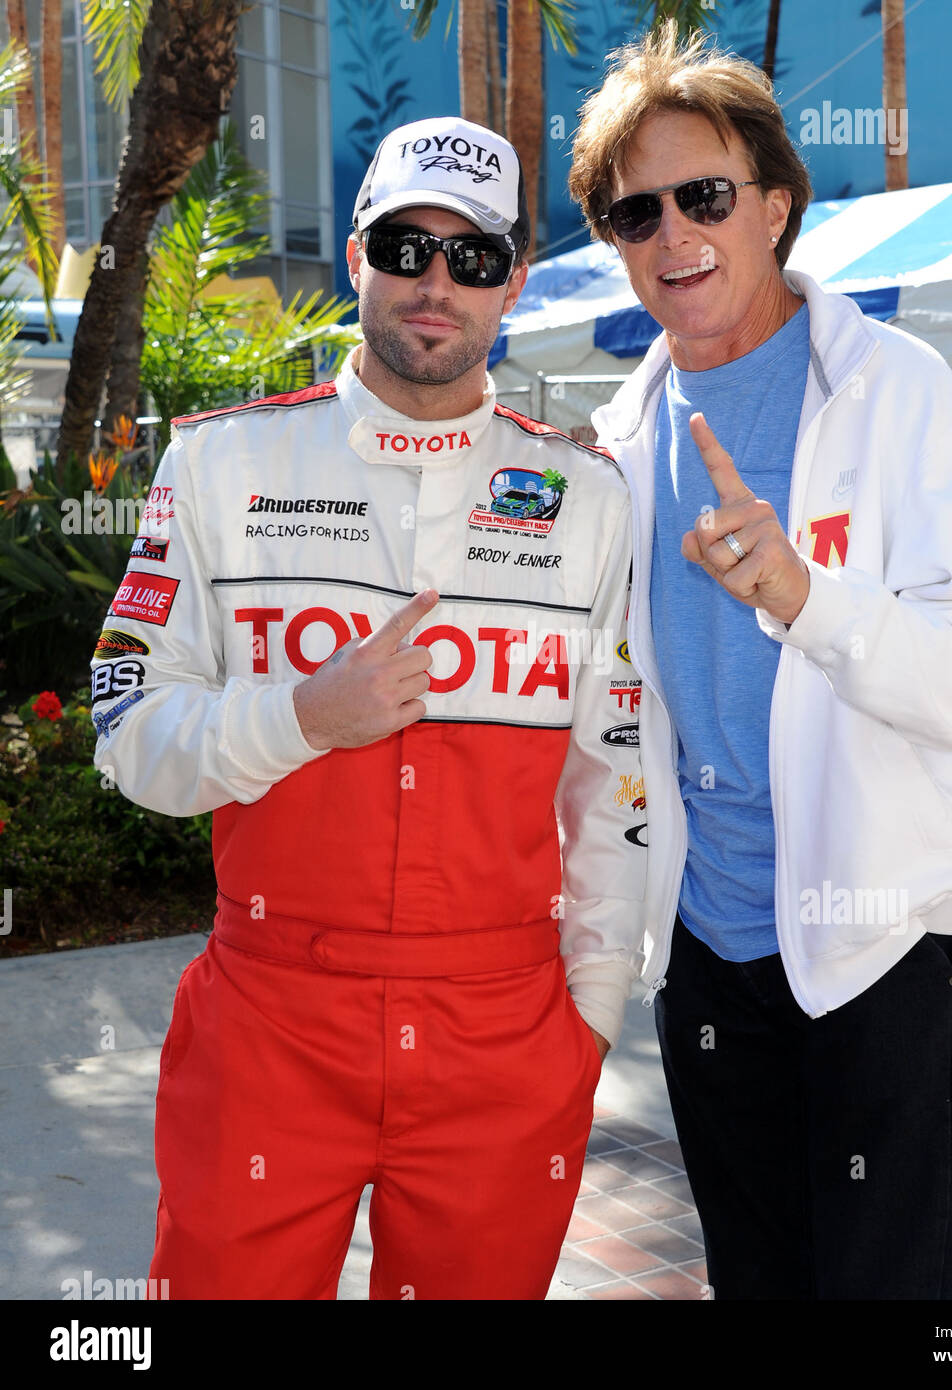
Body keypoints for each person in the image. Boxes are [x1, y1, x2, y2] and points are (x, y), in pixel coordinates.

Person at [90, 116, 645, 1300]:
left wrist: (588, 1014)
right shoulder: (220, 466)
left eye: (473, 258)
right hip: (269, 1014)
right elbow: (127, 730)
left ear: (513, 286)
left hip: (504, 1033)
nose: (435, 284)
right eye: (405, 247)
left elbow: (618, 782)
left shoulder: (589, 499)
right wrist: (298, 716)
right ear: (356, 259)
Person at [569, 23, 952, 1300]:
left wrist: (805, 596)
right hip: (711, 946)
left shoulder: (899, 393)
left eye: (704, 196)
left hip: (884, 942)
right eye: (634, 213)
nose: (672, 234)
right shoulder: (616, 444)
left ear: (774, 205)